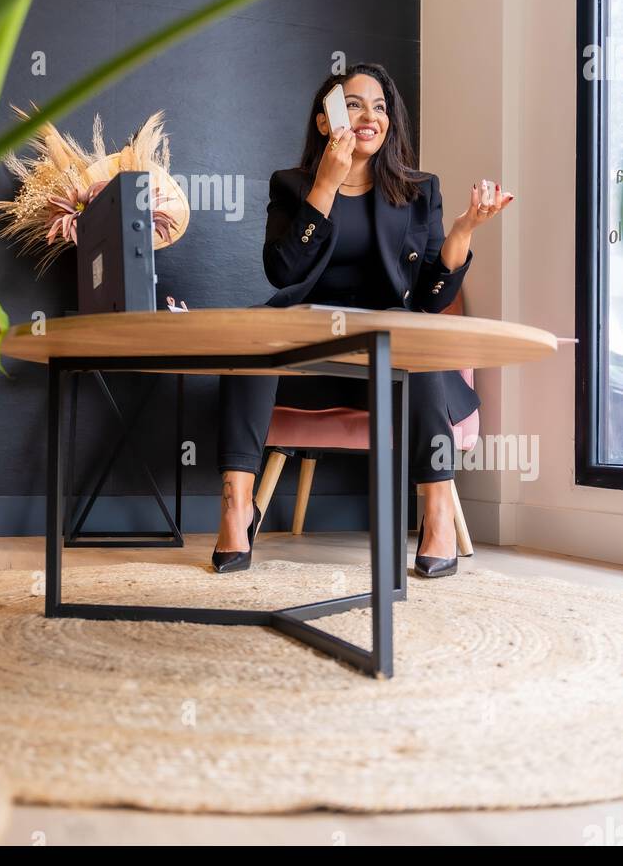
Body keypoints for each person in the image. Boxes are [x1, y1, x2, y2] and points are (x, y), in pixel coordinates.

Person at [213, 62, 513, 578]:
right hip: (308, 361)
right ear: (326, 120)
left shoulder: (420, 192)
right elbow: (280, 272)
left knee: (411, 332)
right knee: (252, 333)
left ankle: (436, 510)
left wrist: (464, 230)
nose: (370, 116)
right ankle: (236, 506)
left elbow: (432, 298)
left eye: (380, 107)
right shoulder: (292, 185)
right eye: (353, 105)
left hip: (386, 365)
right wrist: (325, 186)